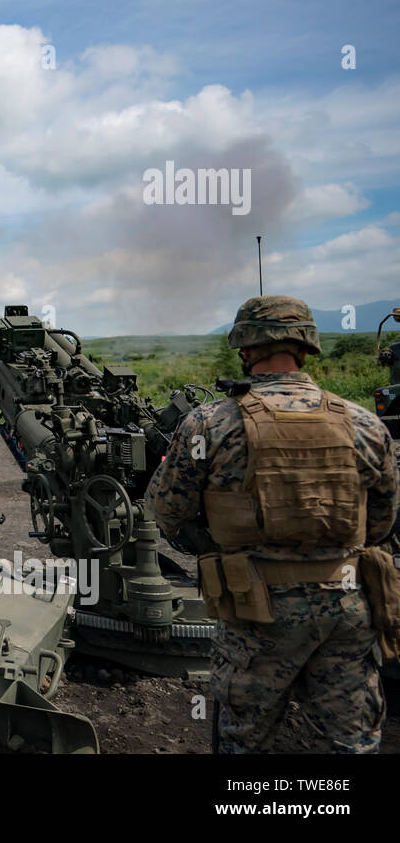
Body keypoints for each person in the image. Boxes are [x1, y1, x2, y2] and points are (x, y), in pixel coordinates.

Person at [148, 296, 400, 753]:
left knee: (244, 739)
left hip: (256, 612)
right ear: (306, 347)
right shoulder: (364, 424)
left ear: (245, 348)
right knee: (353, 739)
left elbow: (167, 511)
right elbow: (381, 524)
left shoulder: (209, 423)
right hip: (347, 607)